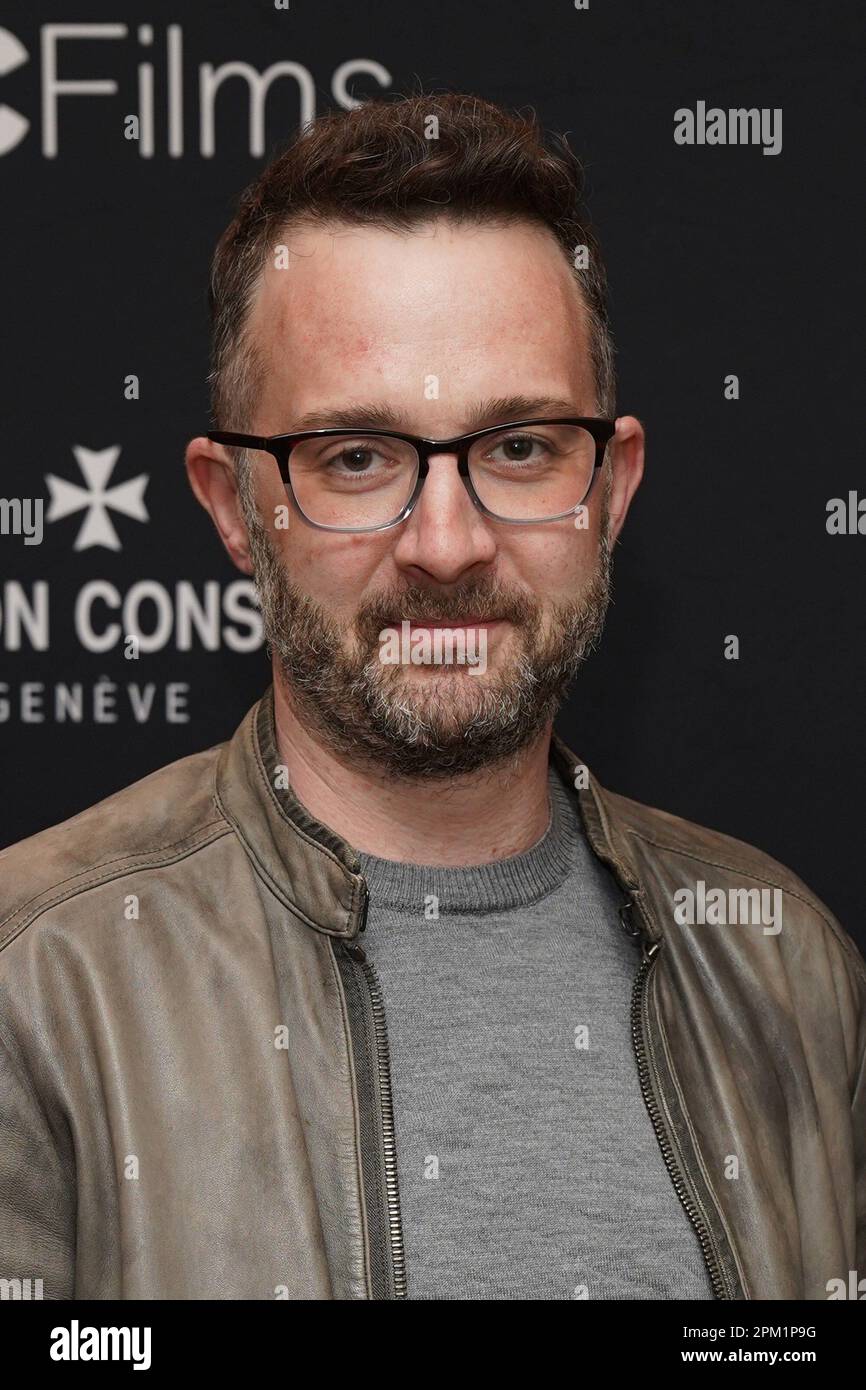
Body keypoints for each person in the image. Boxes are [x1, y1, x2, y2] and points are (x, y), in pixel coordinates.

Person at [1, 92, 863, 1302]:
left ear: (606, 489)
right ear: (230, 505)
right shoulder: (32, 981)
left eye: (518, 448)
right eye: (356, 458)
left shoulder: (786, 967)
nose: (446, 543)